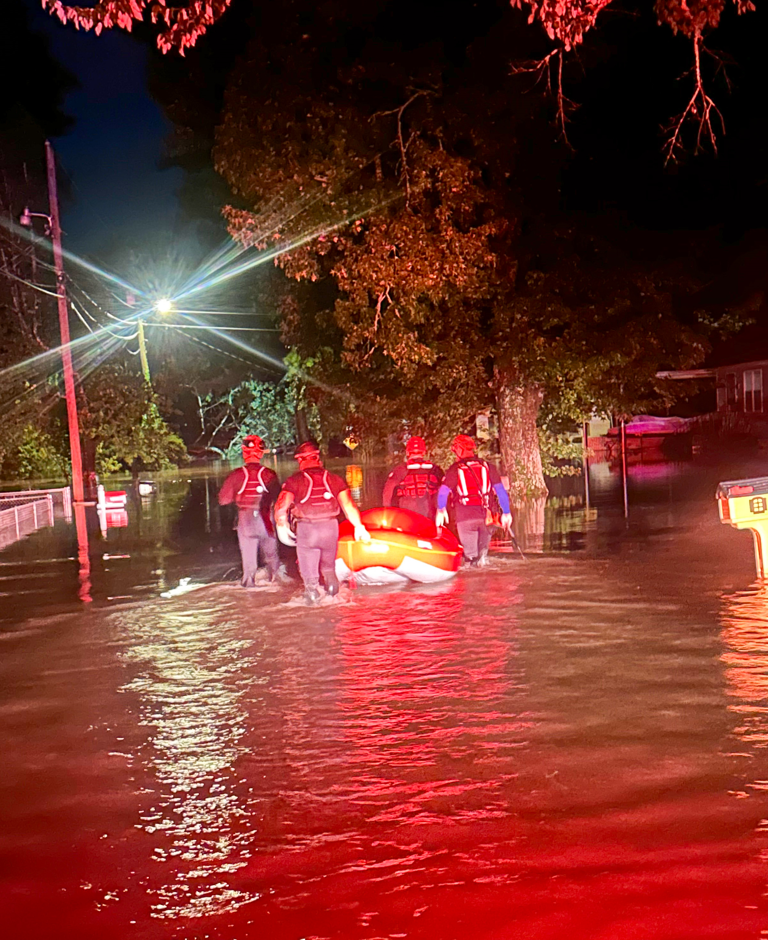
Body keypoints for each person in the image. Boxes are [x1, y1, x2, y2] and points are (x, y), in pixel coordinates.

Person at [274, 440, 370, 605]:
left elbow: (281, 507)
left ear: (300, 460)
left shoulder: (295, 481)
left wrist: (281, 527)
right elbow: (349, 506)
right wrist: (360, 527)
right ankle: (335, 602)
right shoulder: (334, 479)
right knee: (328, 570)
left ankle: (314, 610)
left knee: (310, 579)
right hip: (330, 529)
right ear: (318, 458)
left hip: (307, 530)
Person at [436, 434, 513, 567]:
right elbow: (500, 491)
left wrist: (441, 509)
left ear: (459, 449)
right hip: (487, 518)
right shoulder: (488, 467)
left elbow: (443, 492)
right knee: (482, 559)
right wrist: (506, 513)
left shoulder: (455, 469)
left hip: (465, 519)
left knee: (470, 559)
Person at [218, 434, 281, 586]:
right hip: (266, 518)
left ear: (244, 453)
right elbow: (280, 498)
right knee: (273, 560)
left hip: (245, 520)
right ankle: (278, 585)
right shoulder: (269, 474)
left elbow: (223, 500)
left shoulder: (236, 475)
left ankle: (249, 589)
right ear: (260, 453)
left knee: (249, 567)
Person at [382, 436, 443, 519]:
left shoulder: (401, 469)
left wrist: (387, 510)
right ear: (424, 452)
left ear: (407, 452)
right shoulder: (435, 469)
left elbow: (388, 490)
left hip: (408, 512)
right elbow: (445, 489)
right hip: (430, 512)